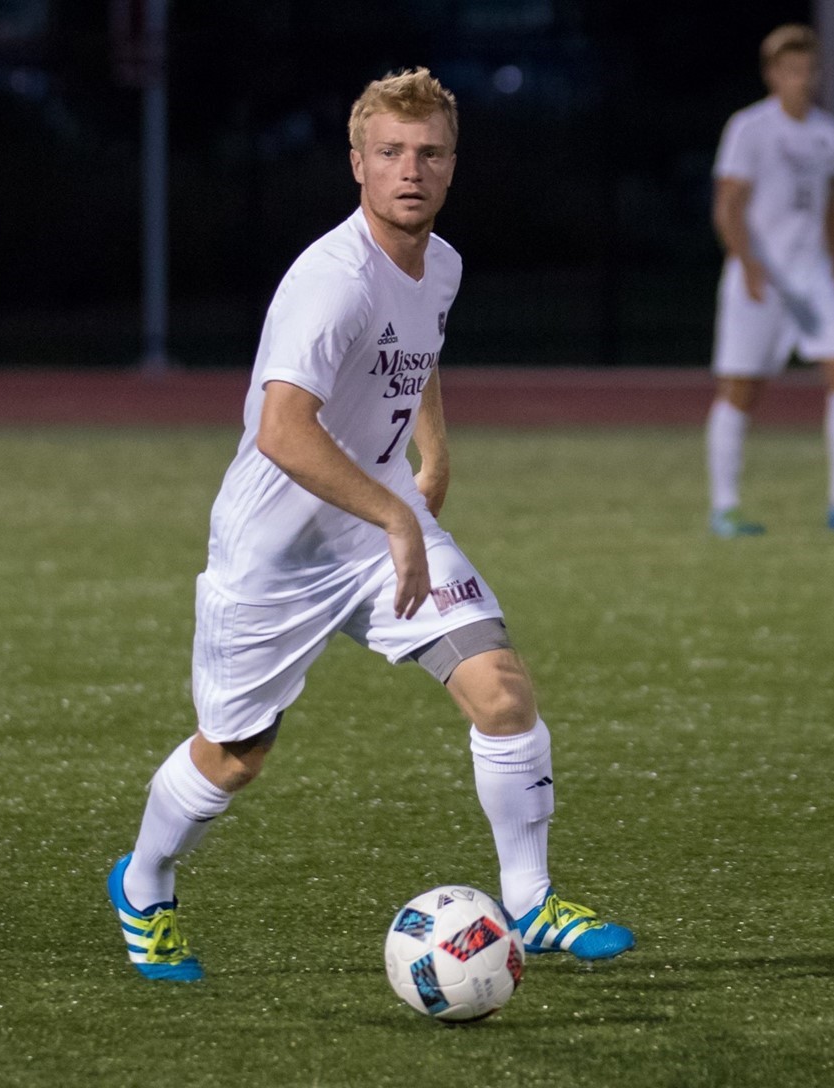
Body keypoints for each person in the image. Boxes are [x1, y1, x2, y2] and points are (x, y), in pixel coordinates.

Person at [107, 68, 635, 982]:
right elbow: (280, 430)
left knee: (502, 692)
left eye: (429, 153)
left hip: (377, 527)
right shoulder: (329, 281)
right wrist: (396, 509)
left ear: (453, 165)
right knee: (236, 755)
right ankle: (144, 882)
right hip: (276, 551)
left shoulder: (444, 262)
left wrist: (434, 455)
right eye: (390, 152)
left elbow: (416, 352)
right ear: (356, 164)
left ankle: (532, 901)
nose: (410, 170)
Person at [707, 23, 834, 538]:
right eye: (792, 70)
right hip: (762, 279)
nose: (803, 79)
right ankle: (724, 508)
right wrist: (748, 264)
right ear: (773, 75)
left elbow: (831, 209)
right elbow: (728, 206)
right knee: (742, 389)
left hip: (812, 277)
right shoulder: (750, 128)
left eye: (810, 70)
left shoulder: (827, 132)